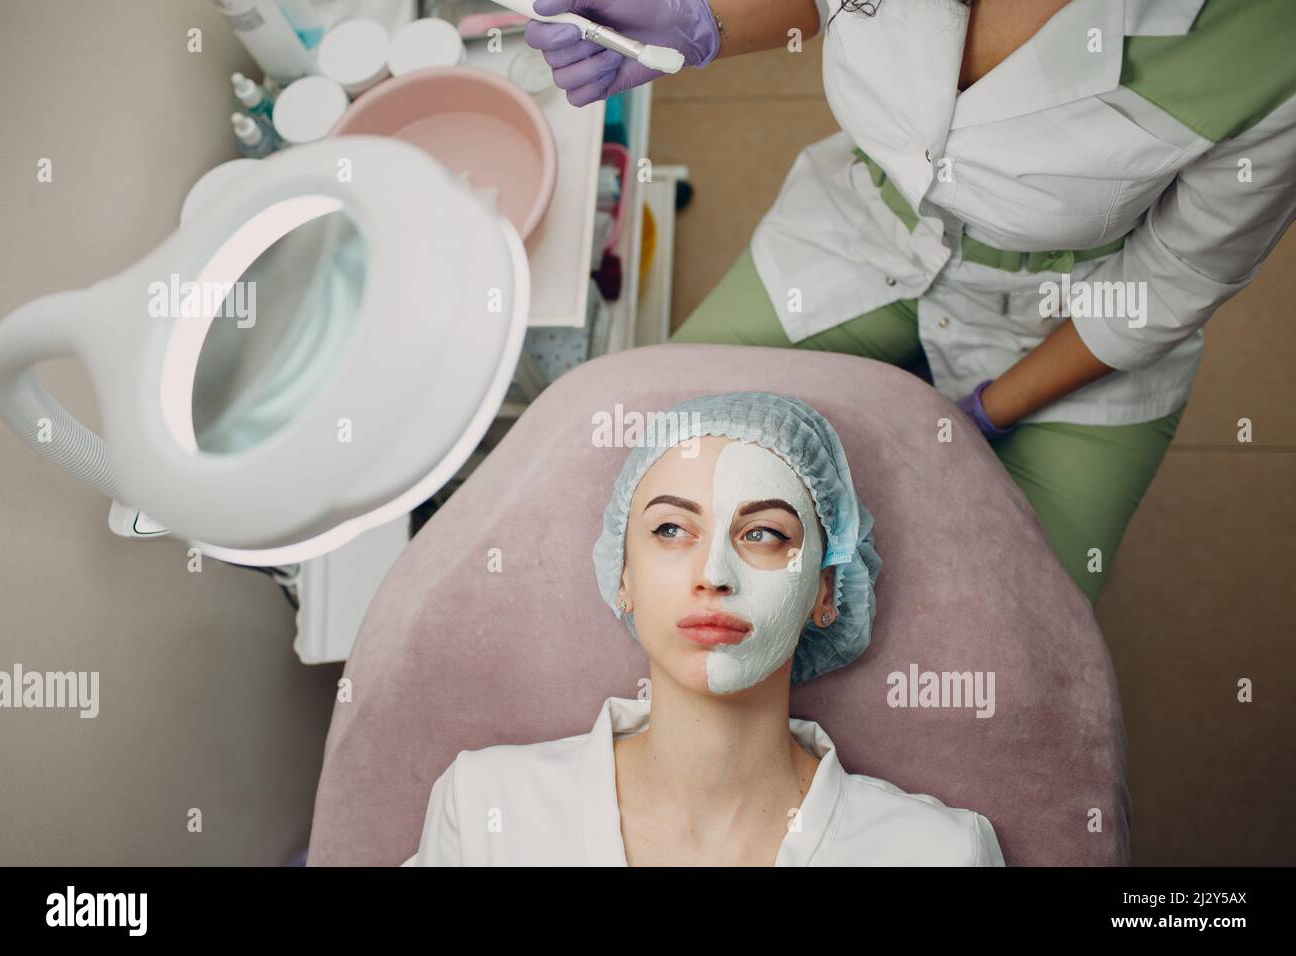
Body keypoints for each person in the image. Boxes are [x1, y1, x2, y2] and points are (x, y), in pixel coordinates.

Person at [524, 0, 1296, 604]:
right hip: (867, 231)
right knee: (650, 448)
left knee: (1020, 631)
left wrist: (991, 411)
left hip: (1079, 318)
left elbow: (1174, 282)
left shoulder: (1267, 48)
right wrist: (701, 22)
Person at [403, 392, 1006, 866]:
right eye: (670, 530)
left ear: (826, 590)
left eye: (763, 534)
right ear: (623, 575)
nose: (713, 574)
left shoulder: (942, 853)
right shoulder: (485, 805)